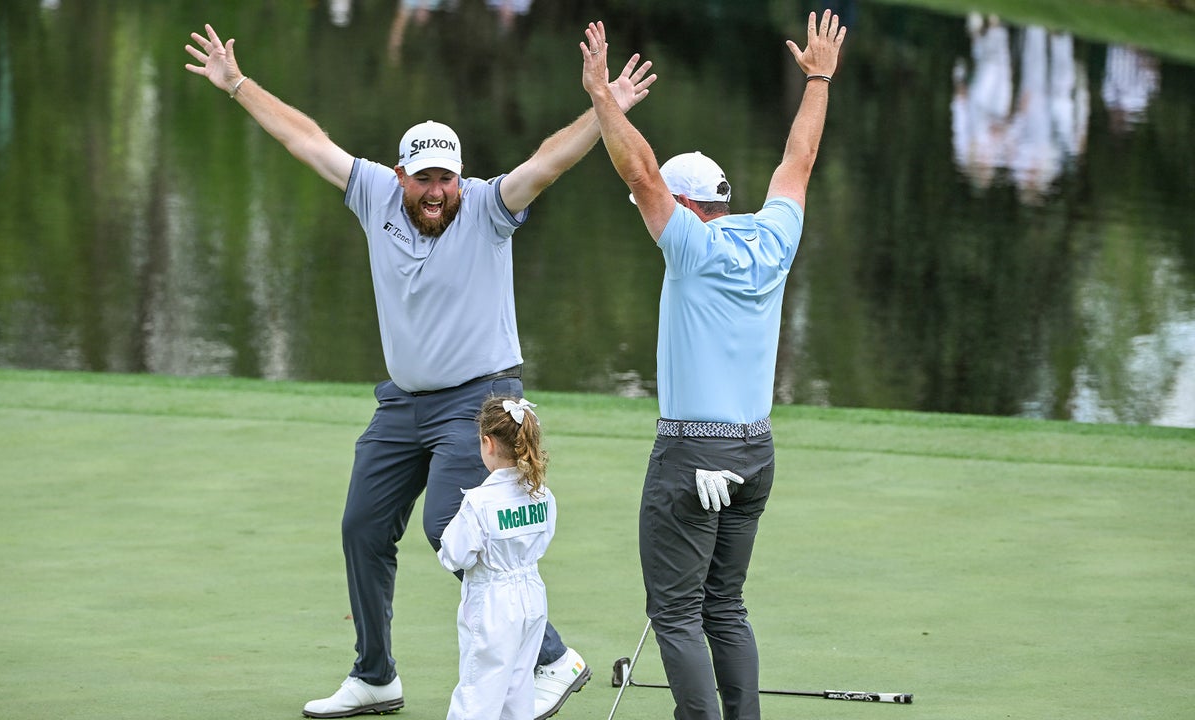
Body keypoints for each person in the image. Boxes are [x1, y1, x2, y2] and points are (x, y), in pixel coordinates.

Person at [183, 22, 655, 720]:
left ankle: (553, 656)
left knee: (449, 523)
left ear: (459, 177)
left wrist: (602, 107)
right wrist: (238, 85)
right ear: (401, 175)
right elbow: (304, 138)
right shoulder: (374, 194)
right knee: (363, 527)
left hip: (482, 399)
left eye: (446, 178)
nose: (437, 191)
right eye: (424, 178)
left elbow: (548, 162)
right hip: (402, 403)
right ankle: (375, 675)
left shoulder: (489, 210)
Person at [579, 11, 846, 720]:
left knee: (674, 613)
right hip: (755, 451)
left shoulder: (691, 245)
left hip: (692, 452)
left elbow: (640, 175)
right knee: (723, 606)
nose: (649, 216)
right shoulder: (774, 236)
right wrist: (818, 78)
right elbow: (800, 159)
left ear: (690, 205)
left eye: (663, 206)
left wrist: (603, 98)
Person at [438, 397, 555, 720]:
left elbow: (454, 555)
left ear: (487, 443)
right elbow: (544, 537)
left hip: (493, 600)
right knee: (518, 687)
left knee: (479, 689)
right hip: (532, 594)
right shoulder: (541, 493)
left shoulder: (480, 501)